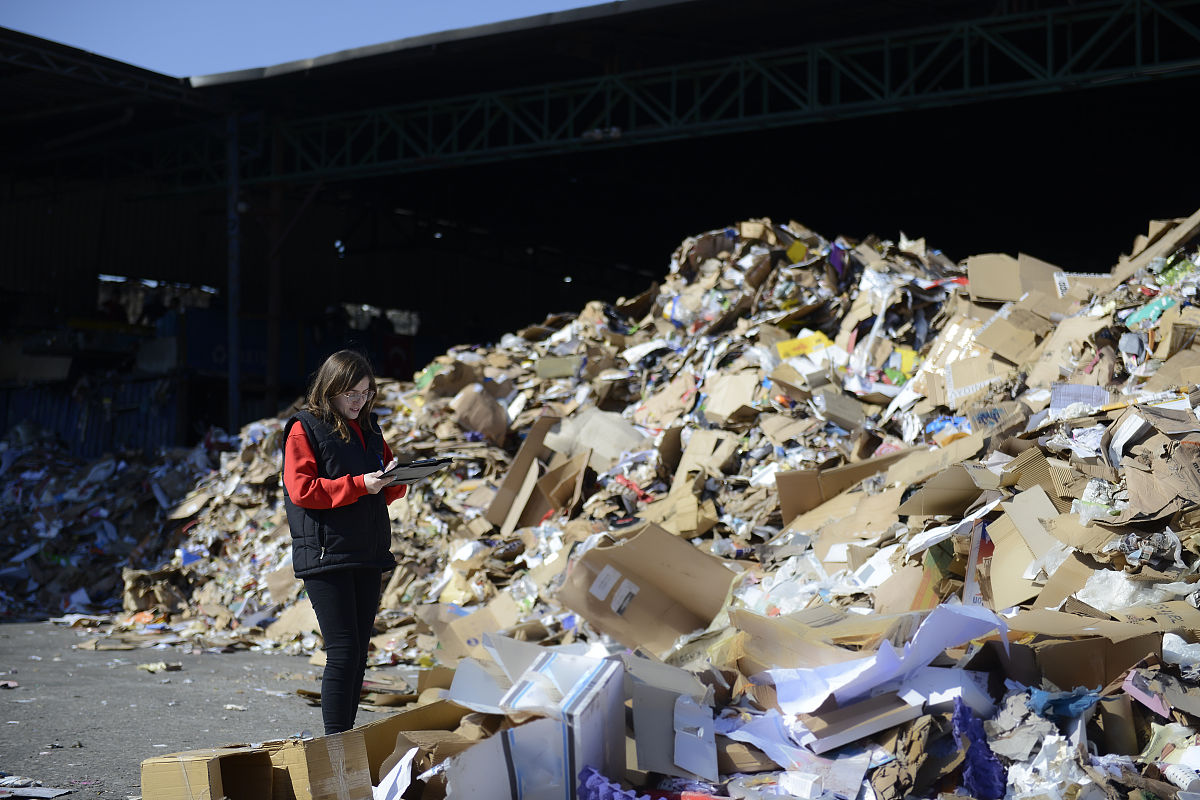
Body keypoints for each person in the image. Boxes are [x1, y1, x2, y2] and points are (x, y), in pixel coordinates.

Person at [281, 349, 407, 735]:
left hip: (367, 552)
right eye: (351, 393)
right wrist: (361, 484)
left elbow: (381, 490)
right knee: (342, 652)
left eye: (366, 393)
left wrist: (398, 479)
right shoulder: (304, 427)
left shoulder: (370, 429)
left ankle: (346, 739)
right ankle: (335, 745)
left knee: (359, 654)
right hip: (326, 553)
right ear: (331, 388)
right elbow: (302, 490)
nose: (359, 401)